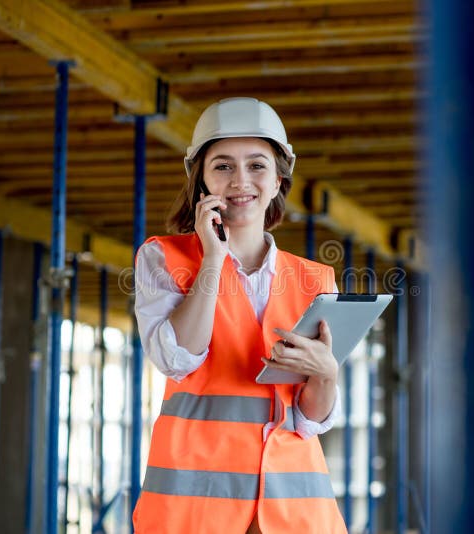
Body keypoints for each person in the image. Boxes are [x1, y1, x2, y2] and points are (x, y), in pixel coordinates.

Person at [131, 97, 348, 534]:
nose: (240, 180)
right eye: (223, 166)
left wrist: (326, 375)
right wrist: (213, 259)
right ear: (201, 180)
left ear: (278, 177)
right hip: (197, 507)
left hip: (293, 513)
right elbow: (177, 359)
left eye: (257, 165)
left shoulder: (316, 280)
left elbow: (308, 420)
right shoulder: (163, 258)